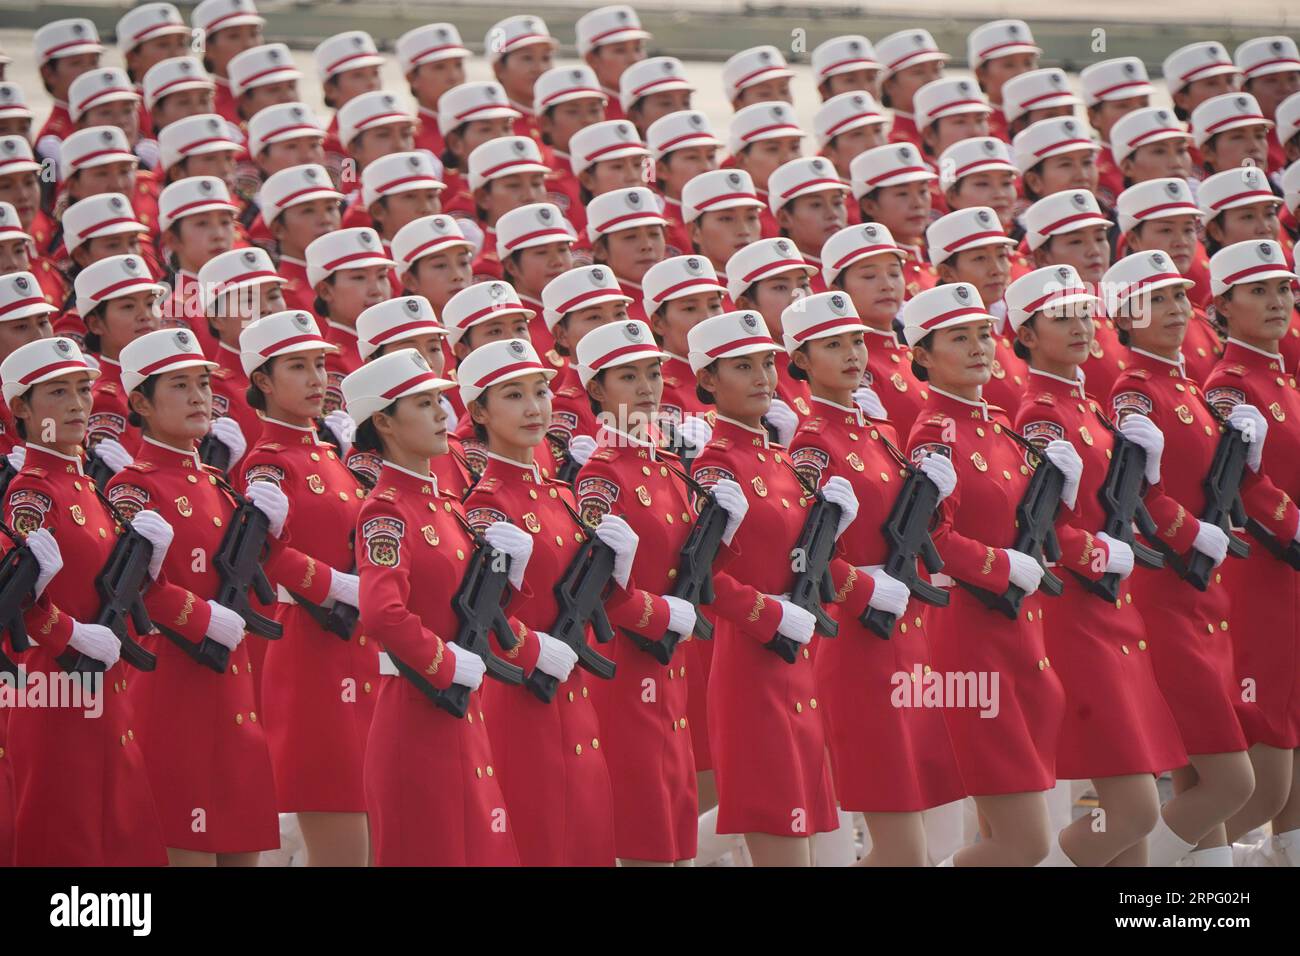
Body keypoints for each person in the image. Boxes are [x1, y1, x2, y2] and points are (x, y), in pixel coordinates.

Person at [105, 327, 320, 865]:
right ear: (139, 402)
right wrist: (197, 616)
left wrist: (276, 534)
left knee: (241, 849)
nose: (200, 396)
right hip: (172, 687)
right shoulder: (132, 486)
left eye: (203, 382)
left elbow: (253, 574)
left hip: (231, 690)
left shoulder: (219, 484)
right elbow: (130, 586)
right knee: (188, 851)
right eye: (179, 385)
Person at [1007, 264, 1188, 865]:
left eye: (1085, 313)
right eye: (1062, 317)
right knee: (1135, 806)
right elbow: (1036, 527)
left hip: (1115, 614)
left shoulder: (1082, 404)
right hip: (1076, 619)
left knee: (1127, 825)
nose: (1082, 327)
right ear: (1026, 334)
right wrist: (1093, 549)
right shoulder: (1040, 414)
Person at [783, 291, 964, 865]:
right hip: (861, 642)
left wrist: (939, 499)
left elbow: (913, 533)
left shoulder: (880, 429)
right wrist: (862, 587)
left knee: (930, 837)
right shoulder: (812, 441)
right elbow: (803, 555)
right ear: (802, 361)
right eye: (832, 344)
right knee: (902, 847)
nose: (852, 353)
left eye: (857, 340)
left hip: (912, 637)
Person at [685, 309, 869, 866]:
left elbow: (803, 562)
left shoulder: (778, 458)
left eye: (767, 362)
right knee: (780, 839)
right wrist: (766, 612)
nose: (764, 377)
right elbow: (697, 576)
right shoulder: (714, 466)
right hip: (751, 667)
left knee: (803, 840)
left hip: (798, 664)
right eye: (743, 366)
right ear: (709, 380)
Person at [1103, 249, 1266, 866]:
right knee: (1234, 781)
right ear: (1124, 317)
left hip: (1205, 598)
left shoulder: (1185, 386)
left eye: (1177, 297)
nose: (1173, 310)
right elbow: (1134, 494)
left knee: (1205, 788)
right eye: (1154, 301)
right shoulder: (1135, 393)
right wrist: (1188, 531)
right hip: (1165, 598)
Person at [901, 283, 1068, 865]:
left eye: (982, 334)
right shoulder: (932, 435)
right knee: (1023, 843)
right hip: (971, 639)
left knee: (1013, 836)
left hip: (1018, 631)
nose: (978, 347)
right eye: (957, 337)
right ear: (921, 354)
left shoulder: (997, 422)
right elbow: (928, 542)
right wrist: (1001, 565)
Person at [345, 346, 525, 865]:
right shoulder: (386, 511)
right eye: (424, 405)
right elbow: (382, 612)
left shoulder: (444, 505)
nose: (444, 415)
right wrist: (446, 662)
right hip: (417, 712)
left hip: (457, 708)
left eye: (440, 402)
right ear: (384, 420)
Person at [0, 335, 175, 866]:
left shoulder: (88, 487)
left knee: (122, 844)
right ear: (22, 410)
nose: (78, 405)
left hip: (106, 689)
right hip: (53, 692)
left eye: (82, 390)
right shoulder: (30, 492)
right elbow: (14, 597)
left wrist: (152, 567)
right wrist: (69, 633)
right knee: (65, 842)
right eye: (58, 393)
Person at [571, 318, 737, 865]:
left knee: (676, 827)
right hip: (624, 667)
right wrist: (660, 612)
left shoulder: (666, 468)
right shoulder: (599, 478)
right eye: (628, 377)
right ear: (596, 390)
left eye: (652, 373)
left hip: (669, 666)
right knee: (644, 832)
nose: (647, 388)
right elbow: (593, 593)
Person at [460, 337, 620, 865]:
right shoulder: (485, 504)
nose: (534, 408)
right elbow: (480, 620)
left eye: (540, 392)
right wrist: (532, 652)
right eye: (513, 396)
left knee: (588, 845)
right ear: (479, 411)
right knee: (537, 845)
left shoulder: (563, 496)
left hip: (574, 696)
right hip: (519, 697)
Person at [236, 310, 372, 866]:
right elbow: (258, 551)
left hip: (355, 649)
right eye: (298, 367)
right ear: (263, 382)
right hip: (311, 650)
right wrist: (336, 584)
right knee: (338, 835)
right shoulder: (267, 461)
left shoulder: (325, 453)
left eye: (319, 364)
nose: (318, 378)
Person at [1202, 240, 1300, 866]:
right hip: (1262, 582)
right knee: (1262, 781)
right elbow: (1238, 483)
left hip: (1290, 580)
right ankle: (1171, 873)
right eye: (1258, 291)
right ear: (1222, 306)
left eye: (1283, 289)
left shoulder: (1282, 375)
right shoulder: (1228, 385)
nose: (1276, 302)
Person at [821, 223, 931, 432]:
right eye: (869, 276)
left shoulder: (913, 353)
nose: (887, 285)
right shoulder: (848, 363)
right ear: (838, 290)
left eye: (894, 273)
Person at [303, 227, 393, 413]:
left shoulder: (388, 348)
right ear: (325, 291)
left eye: (382, 276)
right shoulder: (330, 362)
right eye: (359, 277)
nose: (376, 289)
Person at [849, 144, 938, 299]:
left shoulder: (932, 264)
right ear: (869, 206)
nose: (917, 203)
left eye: (923, 191)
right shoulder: (873, 282)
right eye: (902, 194)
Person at [395, 24, 469, 158]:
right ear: (412, 78)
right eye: (439, 67)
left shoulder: (482, 131)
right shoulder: (407, 144)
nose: (453, 76)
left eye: (458, 65)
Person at [967, 20, 1040, 143]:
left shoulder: (1049, 119)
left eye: (1028, 63)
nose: (1023, 72)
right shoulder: (979, 133)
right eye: (1009, 65)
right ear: (981, 73)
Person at [876, 29, 948, 151]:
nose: (932, 80)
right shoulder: (895, 147)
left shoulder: (950, 133)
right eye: (918, 72)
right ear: (889, 85)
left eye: (936, 70)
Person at [577, 6, 650, 120]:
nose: (634, 58)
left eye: (638, 48)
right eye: (620, 50)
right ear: (592, 59)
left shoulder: (652, 104)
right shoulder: (585, 116)